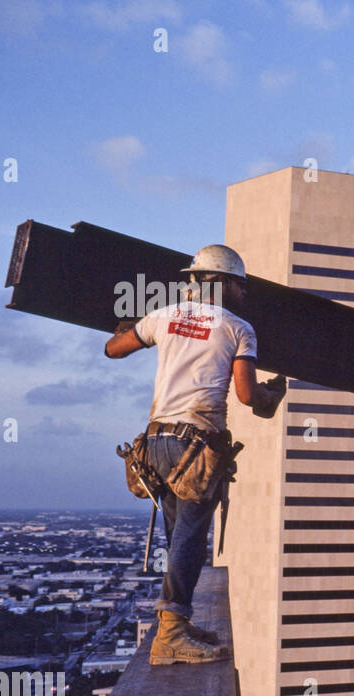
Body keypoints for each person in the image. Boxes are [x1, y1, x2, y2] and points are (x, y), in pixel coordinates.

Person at [104, 244, 286, 664]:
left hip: (155, 443)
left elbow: (113, 350)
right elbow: (246, 395)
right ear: (221, 284)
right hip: (197, 444)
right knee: (189, 537)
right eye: (239, 285)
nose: (244, 293)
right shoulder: (239, 328)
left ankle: (178, 624)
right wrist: (271, 396)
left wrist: (129, 328)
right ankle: (169, 634)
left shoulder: (163, 317)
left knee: (177, 534)